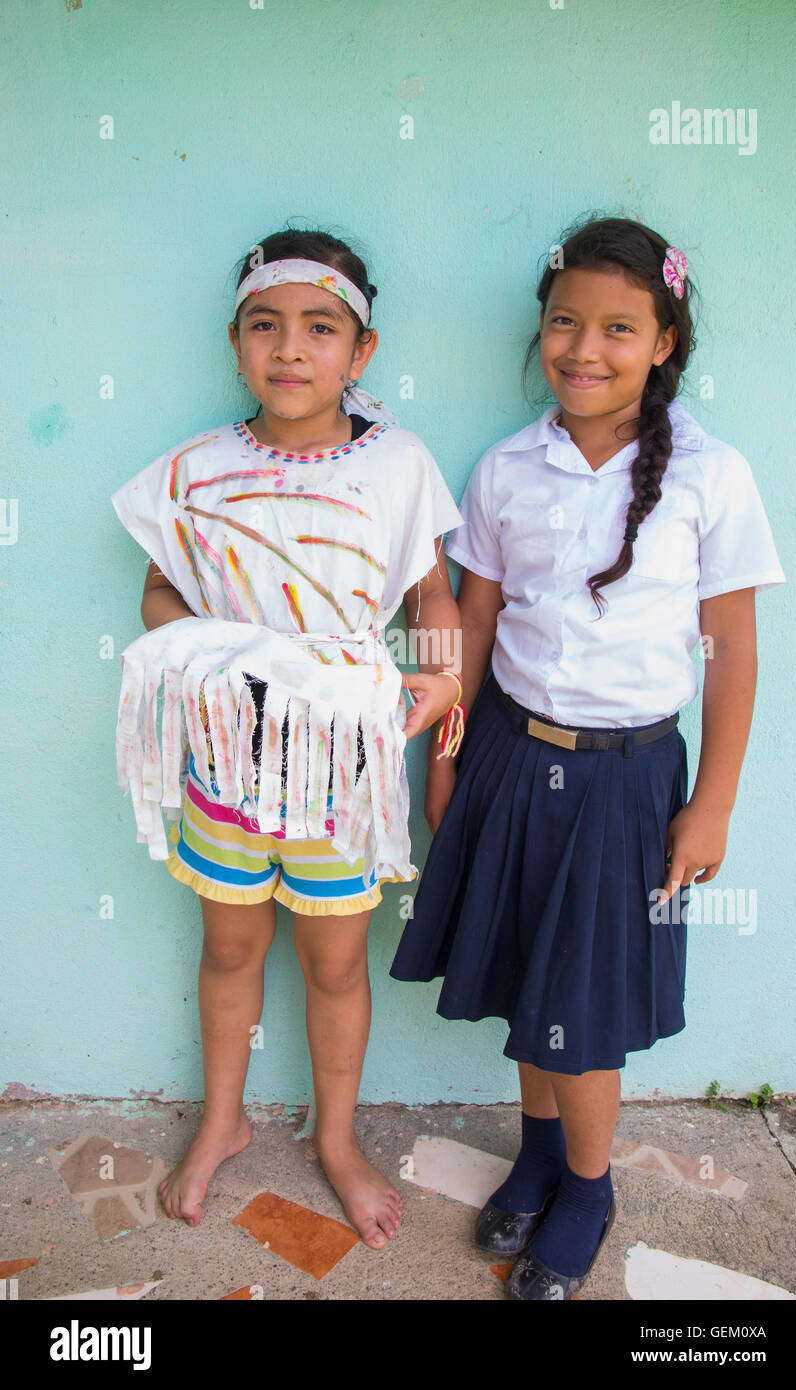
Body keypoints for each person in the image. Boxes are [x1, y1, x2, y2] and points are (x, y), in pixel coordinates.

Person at [390, 216, 785, 1298]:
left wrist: (713, 805)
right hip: (514, 757)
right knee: (529, 969)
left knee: (588, 1004)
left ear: (664, 341)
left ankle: (592, 1184)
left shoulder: (710, 473)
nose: (584, 349)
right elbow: (470, 620)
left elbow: (733, 651)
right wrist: (449, 749)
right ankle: (537, 1150)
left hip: (628, 781)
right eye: (565, 322)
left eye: (619, 327)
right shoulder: (509, 466)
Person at [110, 227, 463, 1249]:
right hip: (226, 758)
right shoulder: (199, 471)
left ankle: (337, 1139)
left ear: (363, 349)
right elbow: (158, 591)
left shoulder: (396, 467)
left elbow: (430, 589)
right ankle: (223, 1118)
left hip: (341, 774)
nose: (291, 348)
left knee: (336, 964)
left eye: (320, 328)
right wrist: (229, 652)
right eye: (266, 325)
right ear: (235, 342)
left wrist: (440, 681)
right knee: (228, 949)